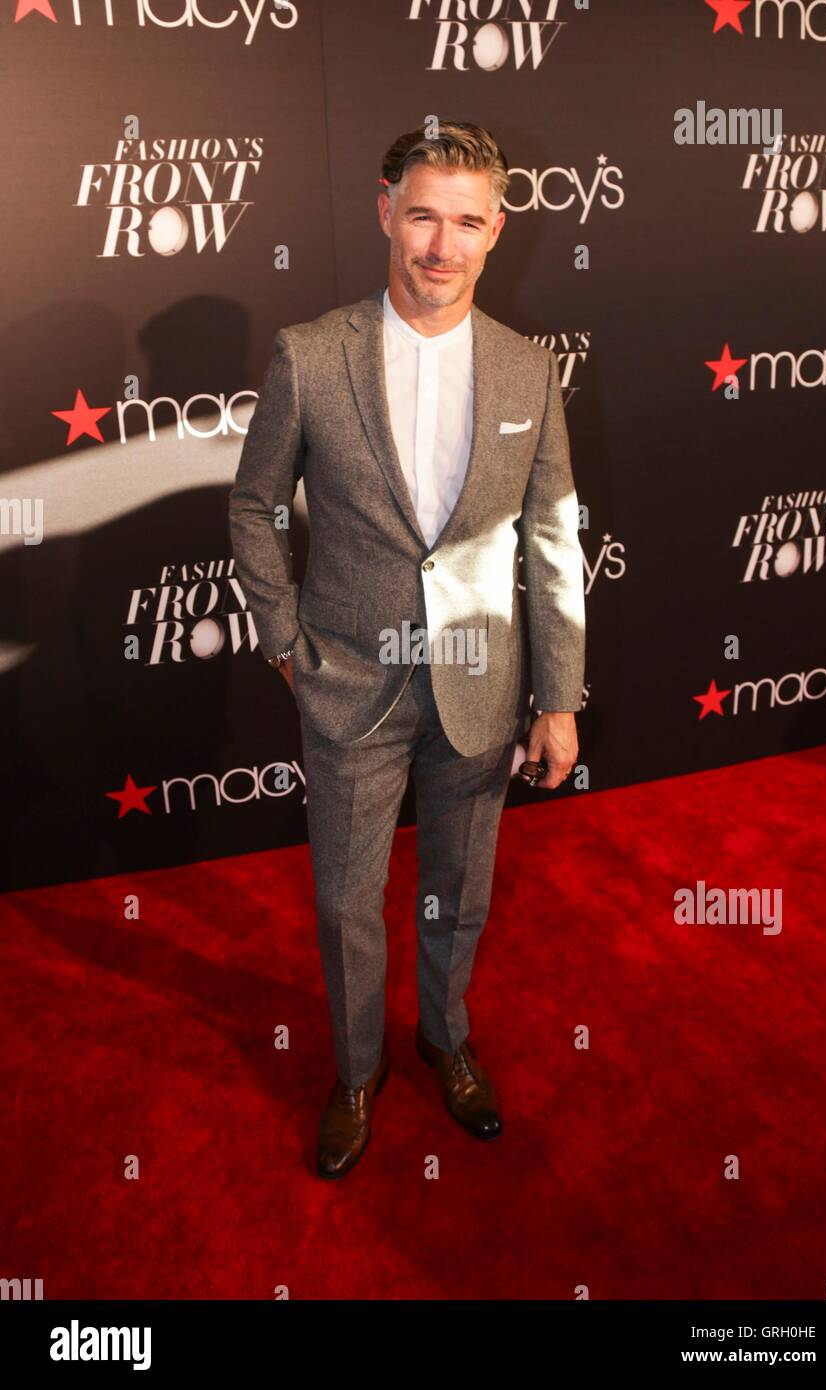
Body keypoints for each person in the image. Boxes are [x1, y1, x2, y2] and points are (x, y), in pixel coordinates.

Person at [228, 120, 586, 1179]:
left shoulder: (528, 370)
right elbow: (254, 508)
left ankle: (444, 1036)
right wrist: (283, 633)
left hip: (483, 685)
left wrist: (558, 694)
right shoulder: (309, 353)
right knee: (346, 900)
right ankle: (354, 1070)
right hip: (349, 683)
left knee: (458, 887)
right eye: (422, 214)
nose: (441, 244)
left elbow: (554, 536)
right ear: (385, 210)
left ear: (495, 232)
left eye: (465, 222)